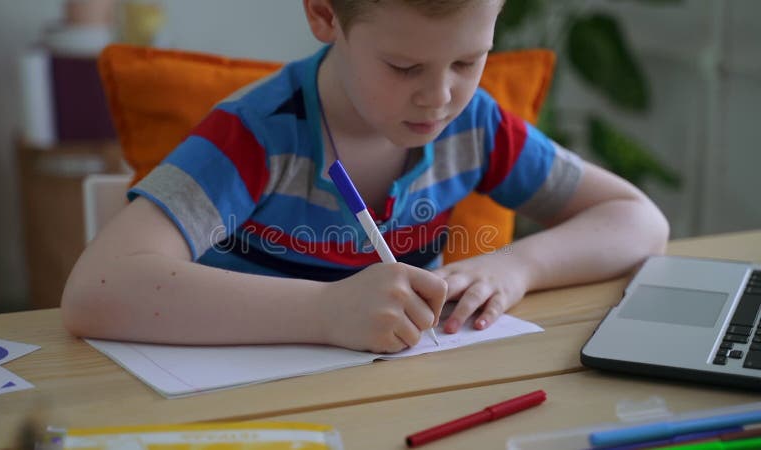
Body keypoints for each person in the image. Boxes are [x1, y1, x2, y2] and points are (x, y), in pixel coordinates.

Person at [61, 0, 669, 353]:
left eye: (467, 60)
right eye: (403, 65)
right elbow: (98, 289)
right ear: (325, 15)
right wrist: (326, 310)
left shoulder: (474, 127)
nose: (440, 96)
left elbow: (639, 220)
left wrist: (518, 266)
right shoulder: (256, 135)